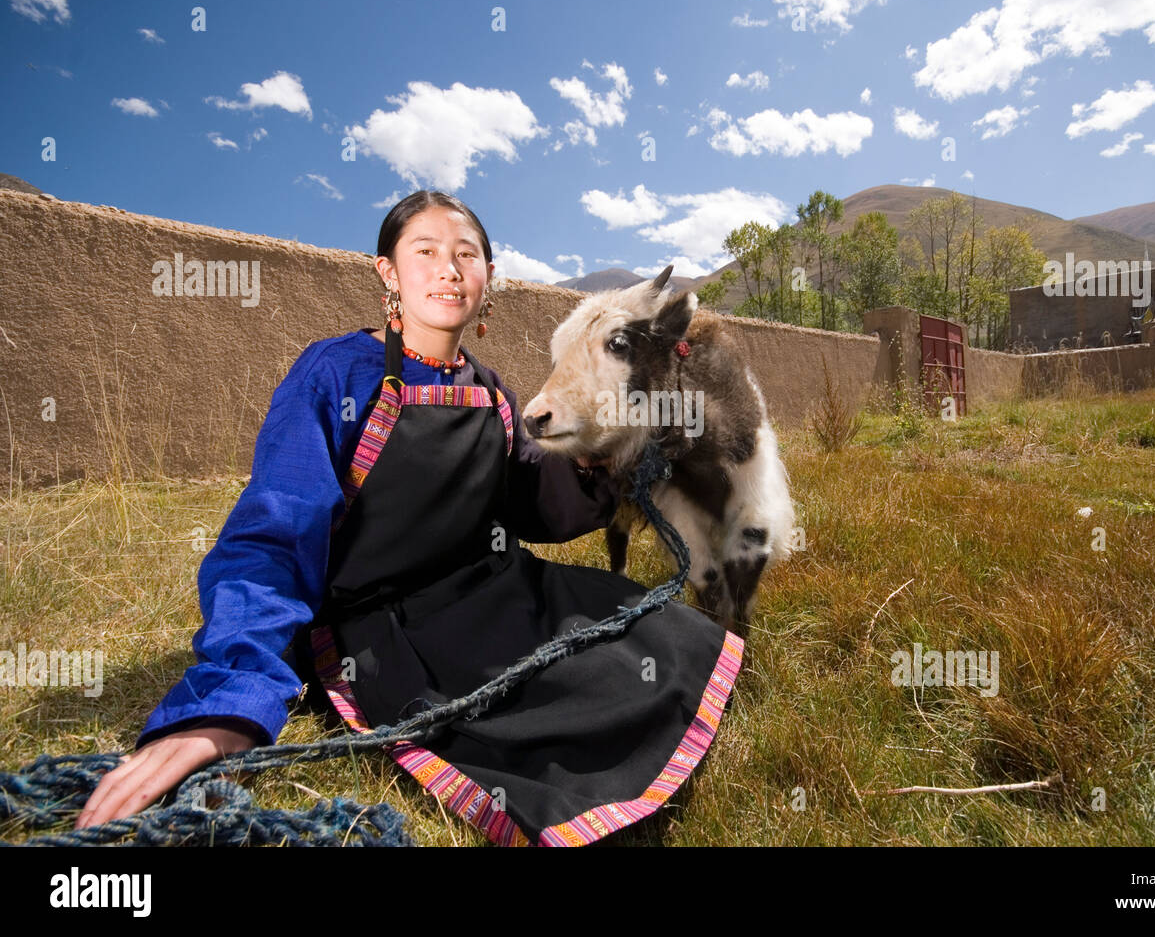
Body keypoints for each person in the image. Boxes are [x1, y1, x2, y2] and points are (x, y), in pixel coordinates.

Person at [76, 190, 744, 846]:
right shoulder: (335, 375)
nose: (449, 268)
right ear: (388, 273)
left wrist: (606, 464)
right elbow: (273, 535)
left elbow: (530, 505)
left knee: (666, 635)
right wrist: (228, 698)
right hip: (388, 630)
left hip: (499, 588)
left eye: (467, 254)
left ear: (487, 278)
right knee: (535, 729)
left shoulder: (492, 392)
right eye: (425, 251)